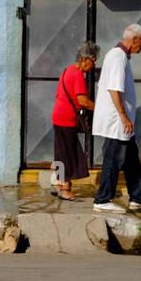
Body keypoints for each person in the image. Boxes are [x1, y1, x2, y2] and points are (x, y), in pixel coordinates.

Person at [91, 24, 141, 212]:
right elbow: (114, 88)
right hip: (117, 121)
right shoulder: (117, 56)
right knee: (113, 159)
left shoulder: (120, 56)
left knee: (131, 159)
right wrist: (123, 116)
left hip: (121, 122)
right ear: (134, 39)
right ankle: (102, 200)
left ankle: (138, 197)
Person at [49, 42, 98, 201]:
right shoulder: (77, 74)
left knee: (61, 152)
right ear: (85, 59)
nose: (93, 66)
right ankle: (65, 187)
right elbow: (82, 101)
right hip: (66, 118)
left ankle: (58, 184)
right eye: (93, 61)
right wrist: (99, 108)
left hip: (58, 115)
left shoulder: (67, 70)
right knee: (68, 153)